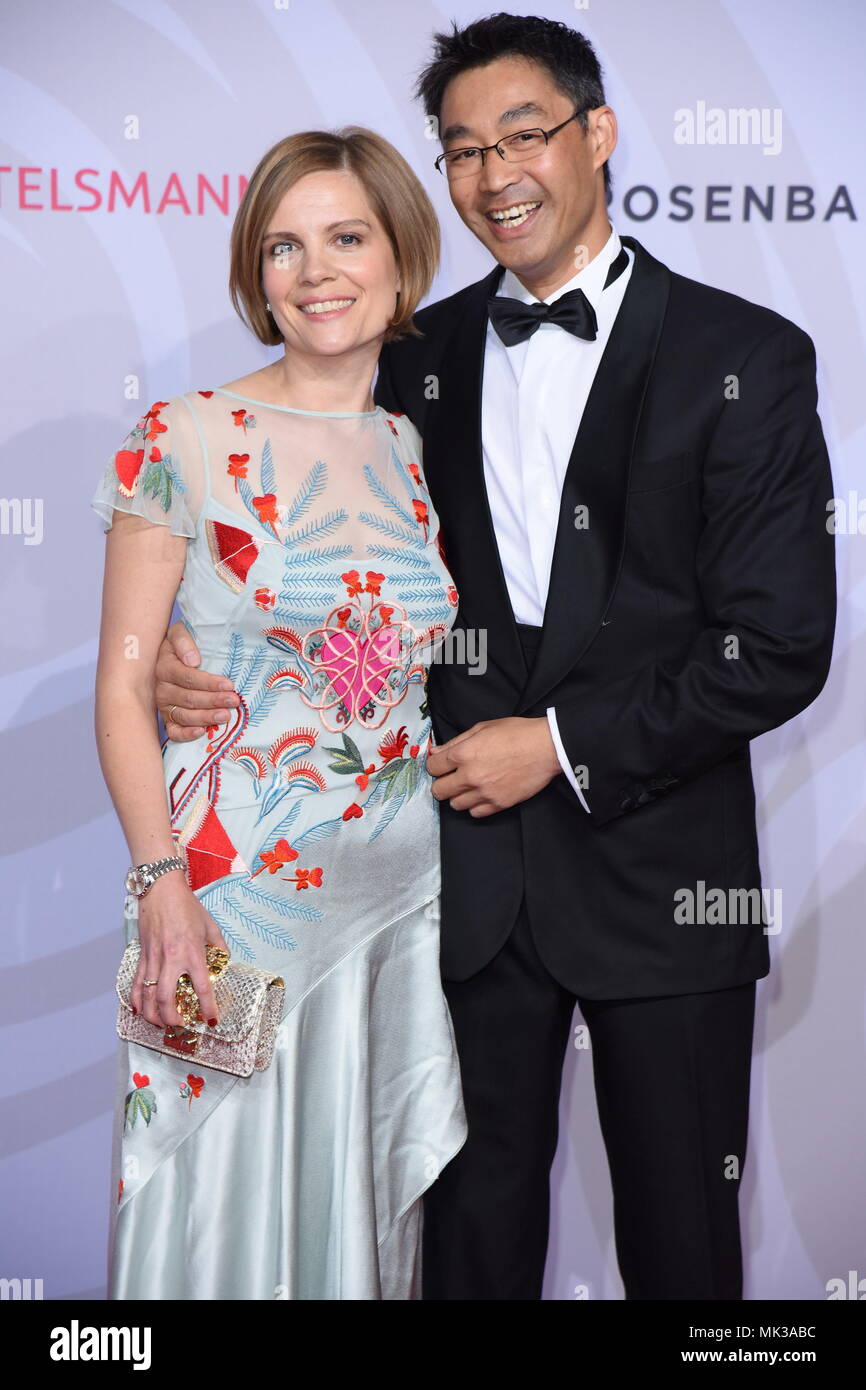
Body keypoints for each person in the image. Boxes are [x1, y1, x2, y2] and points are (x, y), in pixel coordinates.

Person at [153, 15, 837, 1299]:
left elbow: (780, 645)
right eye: (462, 150)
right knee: (466, 1256)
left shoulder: (740, 358)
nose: (492, 174)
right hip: (448, 893)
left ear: (596, 135)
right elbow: (288, 523)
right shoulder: (406, 363)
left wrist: (562, 747)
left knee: (687, 1252)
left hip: (664, 885)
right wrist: (187, 642)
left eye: (522, 135)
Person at [91, 126, 467, 1301]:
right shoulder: (182, 436)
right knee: (215, 1228)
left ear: (400, 254)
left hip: (400, 915)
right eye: (283, 247)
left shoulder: (412, 440)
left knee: (353, 1227)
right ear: (257, 277)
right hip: (228, 907)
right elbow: (121, 681)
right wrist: (160, 886)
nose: (315, 272)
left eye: (344, 237)